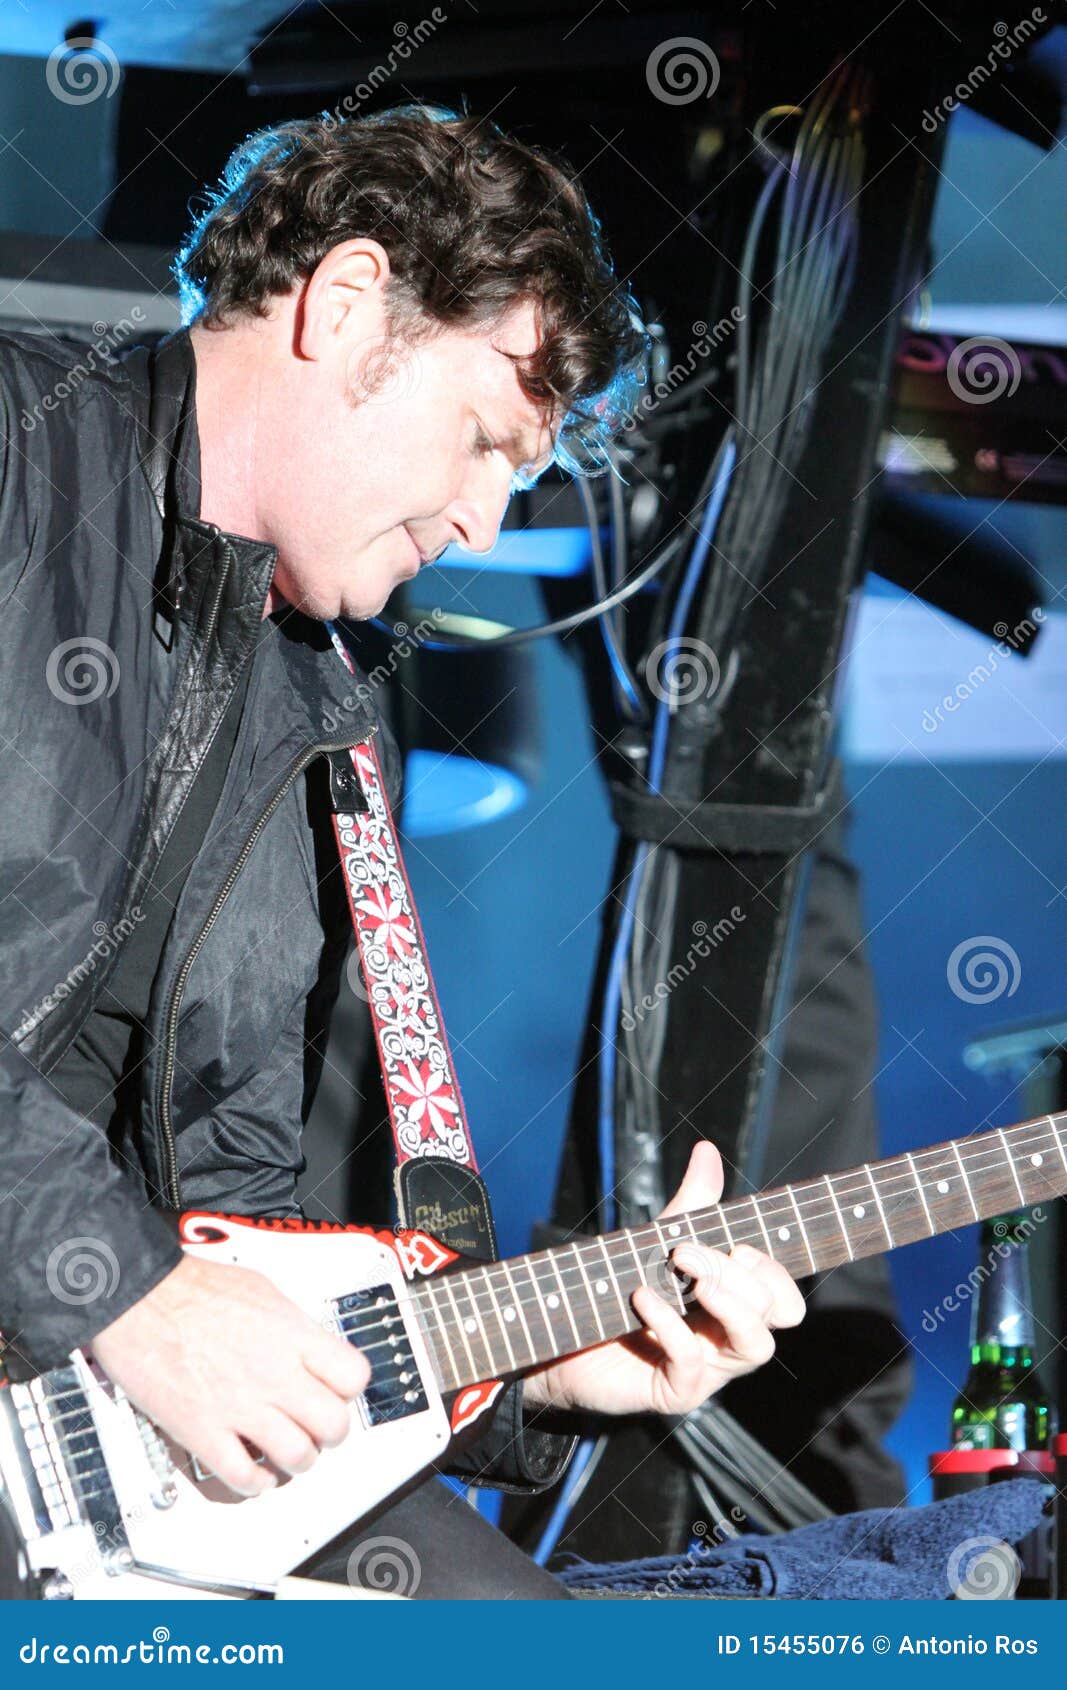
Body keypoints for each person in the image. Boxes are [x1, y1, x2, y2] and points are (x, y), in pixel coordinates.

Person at [0, 106, 804, 1599]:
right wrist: (125, 1292)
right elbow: (165, 1285)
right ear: (348, 301)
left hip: (91, 1463)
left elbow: (244, 1222)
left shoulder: (329, 708)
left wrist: (518, 1368)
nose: (490, 514)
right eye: (487, 437)